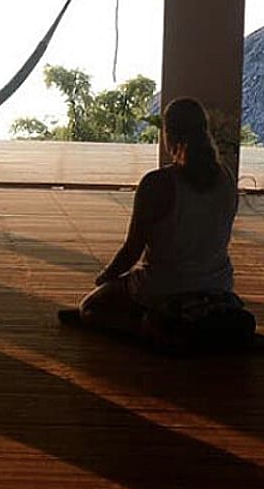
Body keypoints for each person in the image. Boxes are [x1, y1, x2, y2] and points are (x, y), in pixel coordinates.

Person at [78, 97, 254, 345]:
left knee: (90, 308)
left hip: (162, 285)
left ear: (167, 134)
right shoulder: (225, 177)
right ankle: (189, 322)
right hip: (218, 284)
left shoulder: (157, 183)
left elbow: (132, 250)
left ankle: (151, 329)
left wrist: (105, 278)